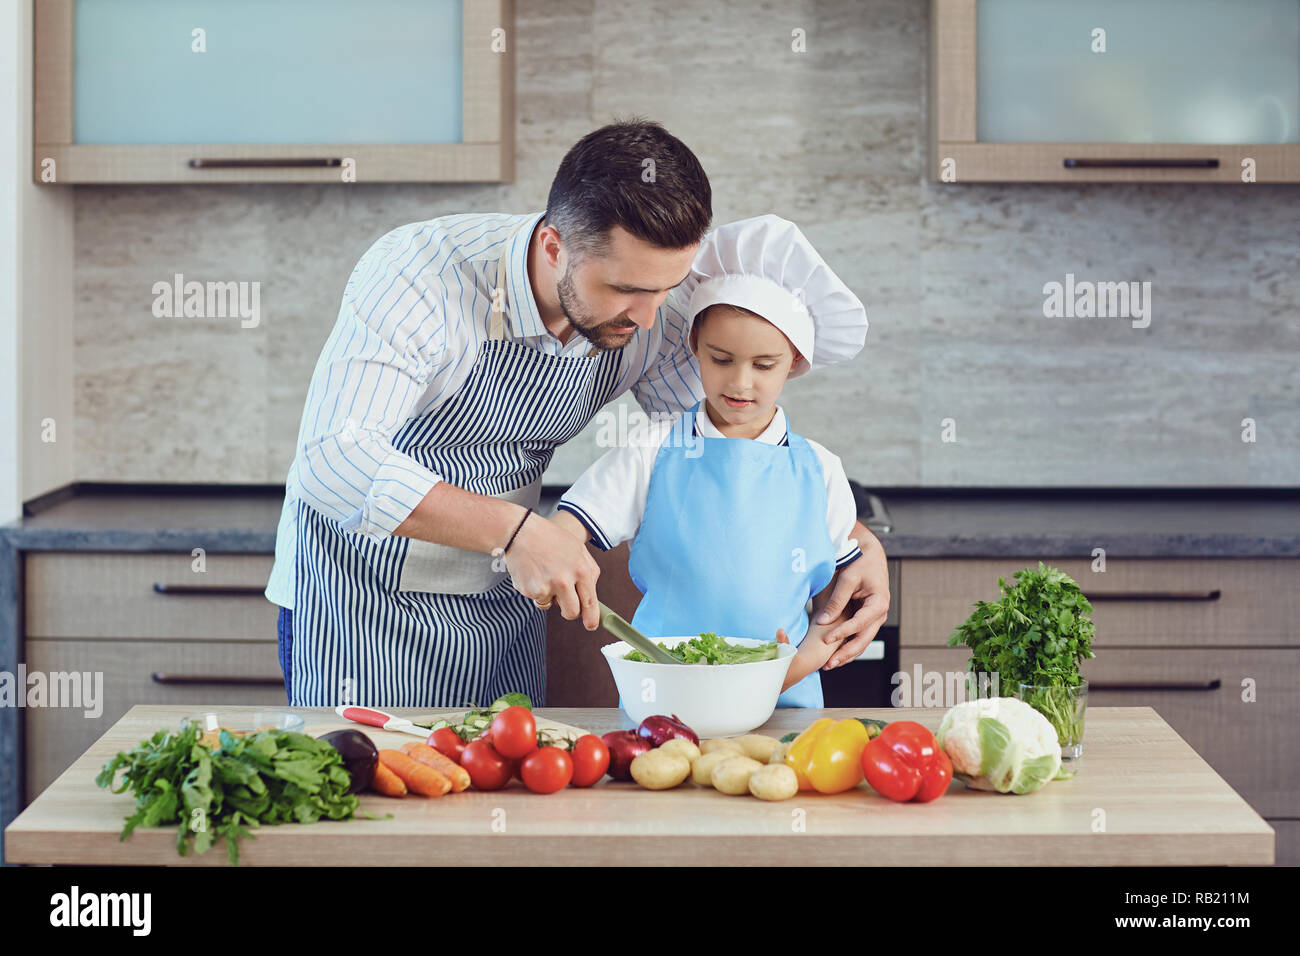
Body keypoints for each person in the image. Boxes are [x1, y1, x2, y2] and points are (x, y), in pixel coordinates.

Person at [266, 119, 889, 708]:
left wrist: (855, 543)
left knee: (494, 793)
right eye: (624, 290)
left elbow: (725, 445)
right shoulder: (421, 274)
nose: (650, 319)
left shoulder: (648, 306)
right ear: (554, 246)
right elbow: (333, 460)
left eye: (665, 289)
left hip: (507, 595)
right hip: (358, 602)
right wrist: (515, 531)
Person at [551, 215, 868, 707]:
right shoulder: (651, 450)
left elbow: (841, 603)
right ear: (695, 346)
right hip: (665, 696)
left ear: (796, 363)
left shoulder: (821, 470)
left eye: (764, 366)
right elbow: (568, 528)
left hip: (783, 703)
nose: (741, 383)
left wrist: (792, 668)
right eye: (721, 359)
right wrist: (549, 557)